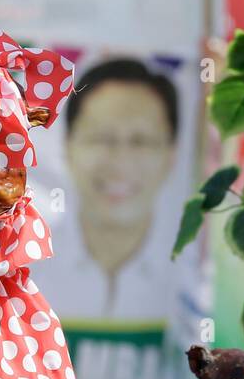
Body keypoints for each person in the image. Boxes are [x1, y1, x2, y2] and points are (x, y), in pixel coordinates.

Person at [35, 57, 185, 330]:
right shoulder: (21, 271)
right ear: (67, 146)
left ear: (171, 155)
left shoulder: (199, 280)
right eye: (101, 138)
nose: (120, 162)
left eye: (141, 141)